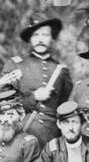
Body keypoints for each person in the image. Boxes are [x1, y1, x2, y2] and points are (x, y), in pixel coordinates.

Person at [8, 14, 73, 146]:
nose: (40, 40)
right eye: (36, 35)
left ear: (51, 38)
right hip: (21, 135)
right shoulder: (16, 65)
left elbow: (66, 106)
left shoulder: (61, 70)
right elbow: (4, 104)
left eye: (45, 35)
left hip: (52, 138)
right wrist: (33, 97)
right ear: (30, 39)